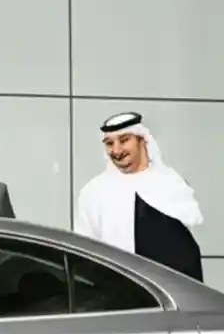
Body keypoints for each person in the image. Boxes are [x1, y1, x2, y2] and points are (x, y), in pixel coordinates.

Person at [76, 112, 203, 280]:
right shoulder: (93, 192)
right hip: (117, 291)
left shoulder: (170, 183)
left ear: (142, 140)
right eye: (109, 143)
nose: (116, 150)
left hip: (173, 289)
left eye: (124, 140)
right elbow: (85, 252)